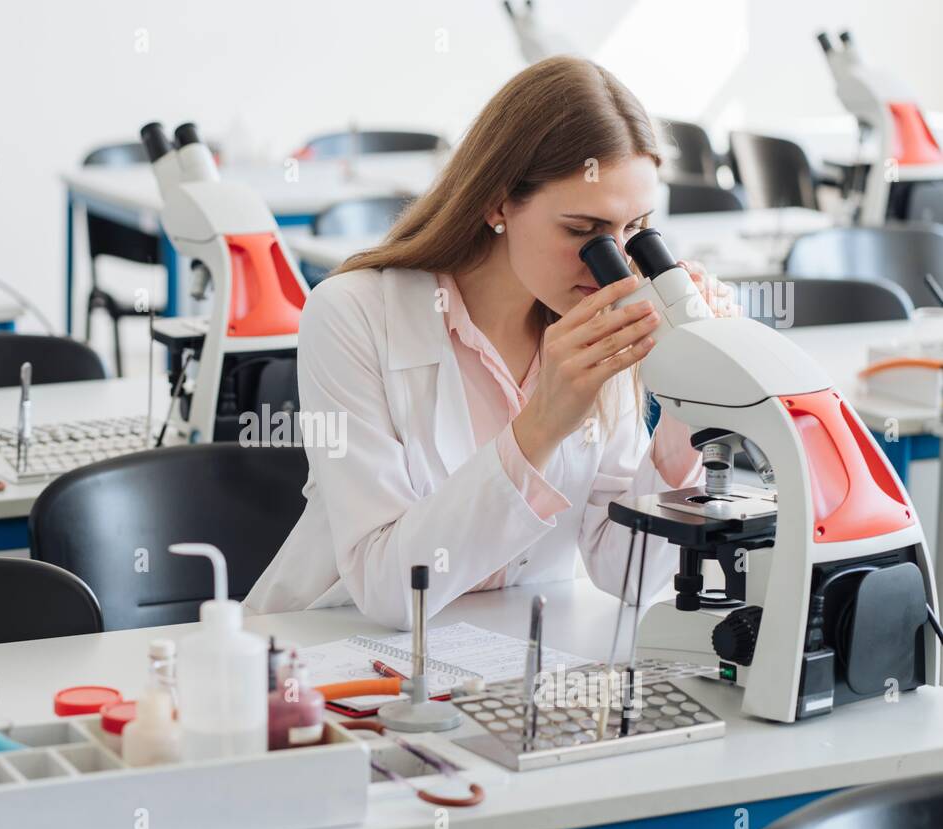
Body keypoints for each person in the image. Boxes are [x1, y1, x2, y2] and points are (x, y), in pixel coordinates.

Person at [246, 56, 737, 629]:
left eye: (636, 231)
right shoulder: (353, 315)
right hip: (332, 652)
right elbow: (392, 591)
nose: (616, 264)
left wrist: (682, 423)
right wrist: (543, 422)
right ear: (498, 202)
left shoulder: (603, 319)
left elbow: (627, 575)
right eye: (582, 232)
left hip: (508, 654)